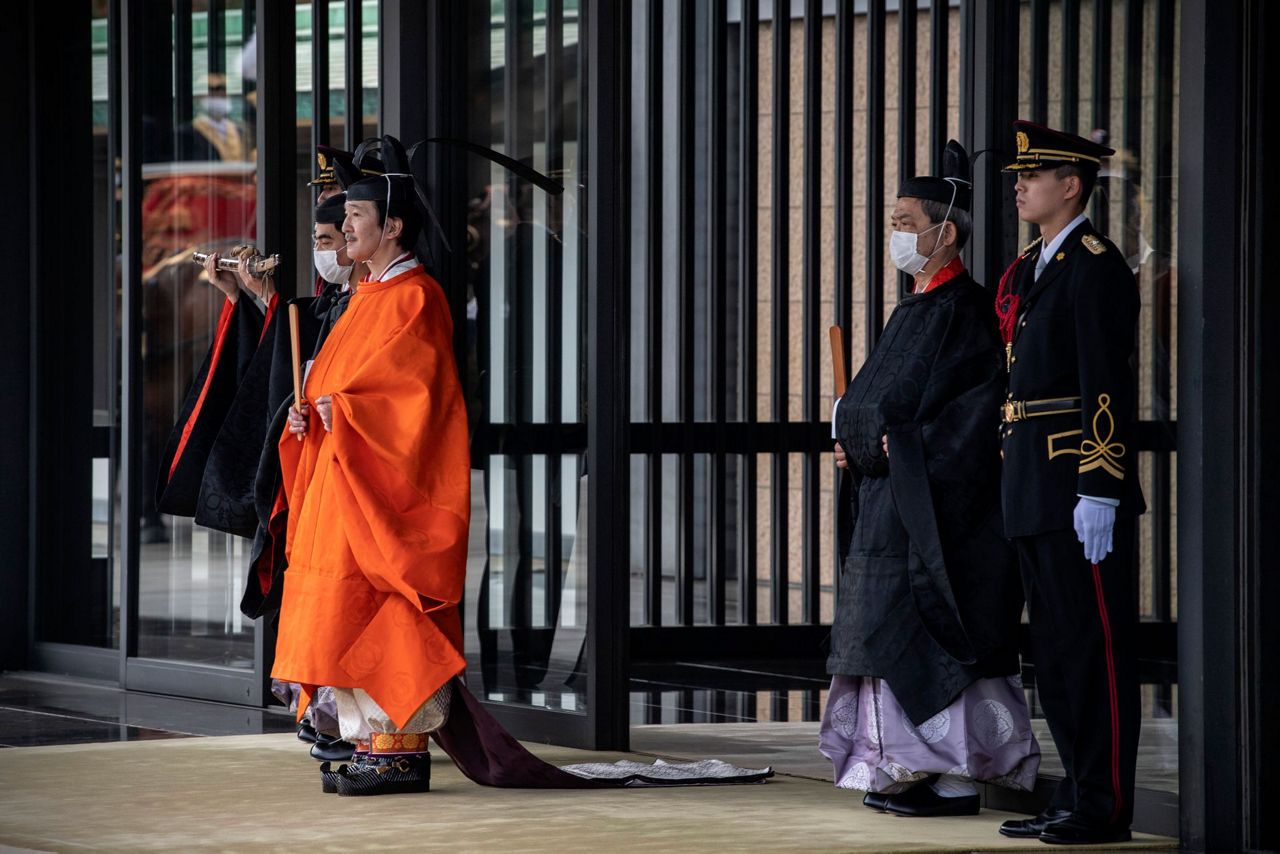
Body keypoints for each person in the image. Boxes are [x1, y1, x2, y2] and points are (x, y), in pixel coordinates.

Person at [822, 140, 1039, 818]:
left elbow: (969, 420)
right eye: (893, 223)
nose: (897, 237)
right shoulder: (914, 306)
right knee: (885, 635)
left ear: (946, 233)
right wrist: (852, 443)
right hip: (889, 505)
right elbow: (874, 403)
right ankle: (899, 769)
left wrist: (891, 444)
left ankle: (953, 777)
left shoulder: (967, 313)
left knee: (934, 632)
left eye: (906, 223)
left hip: (937, 516)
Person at [993, 121, 1145, 846]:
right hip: (1030, 482)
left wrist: (1102, 483)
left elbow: (1104, 382)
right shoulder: (1031, 265)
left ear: (1071, 186)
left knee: (1093, 652)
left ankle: (1105, 805)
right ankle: (1075, 793)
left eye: (1032, 175)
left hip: (1076, 486)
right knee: (1053, 656)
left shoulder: (1095, 265)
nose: (1019, 186)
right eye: (1019, 177)